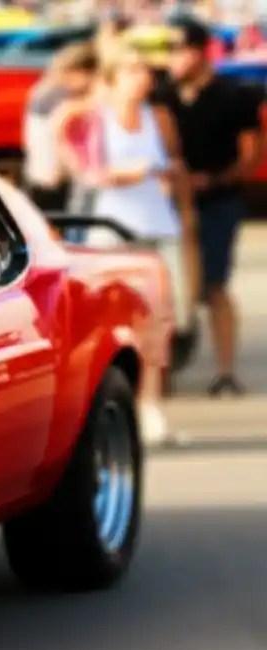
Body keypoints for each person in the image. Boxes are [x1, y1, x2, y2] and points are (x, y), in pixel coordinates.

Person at [58, 44, 193, 445]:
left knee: (159, 320)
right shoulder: (94, 117)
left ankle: (150, 404)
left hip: (157, 227)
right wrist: (105, 172)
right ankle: (104, 405)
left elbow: (175, 164)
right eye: (131, 71)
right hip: (111, 229)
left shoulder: (160, 117)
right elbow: (71, 147)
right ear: (112, 80)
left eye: (143, 71)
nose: (142, 78)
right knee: (110, 322)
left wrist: (182, 206)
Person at [153, 18, 264, 396]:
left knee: (215, 284)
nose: (173, 59)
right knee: (167, 287)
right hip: (167, 204)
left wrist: (214, 180)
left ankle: (225, 370)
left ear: (201, 52)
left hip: (219, 200)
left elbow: (251, 155)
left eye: (180, 50)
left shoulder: (233, 95)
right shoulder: (162, 96)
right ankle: (161, 371)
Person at [23, 42, 98, 210]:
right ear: (78, 72)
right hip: (51, 178)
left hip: (41, 175)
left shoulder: (44, 89)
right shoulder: (58, 94)